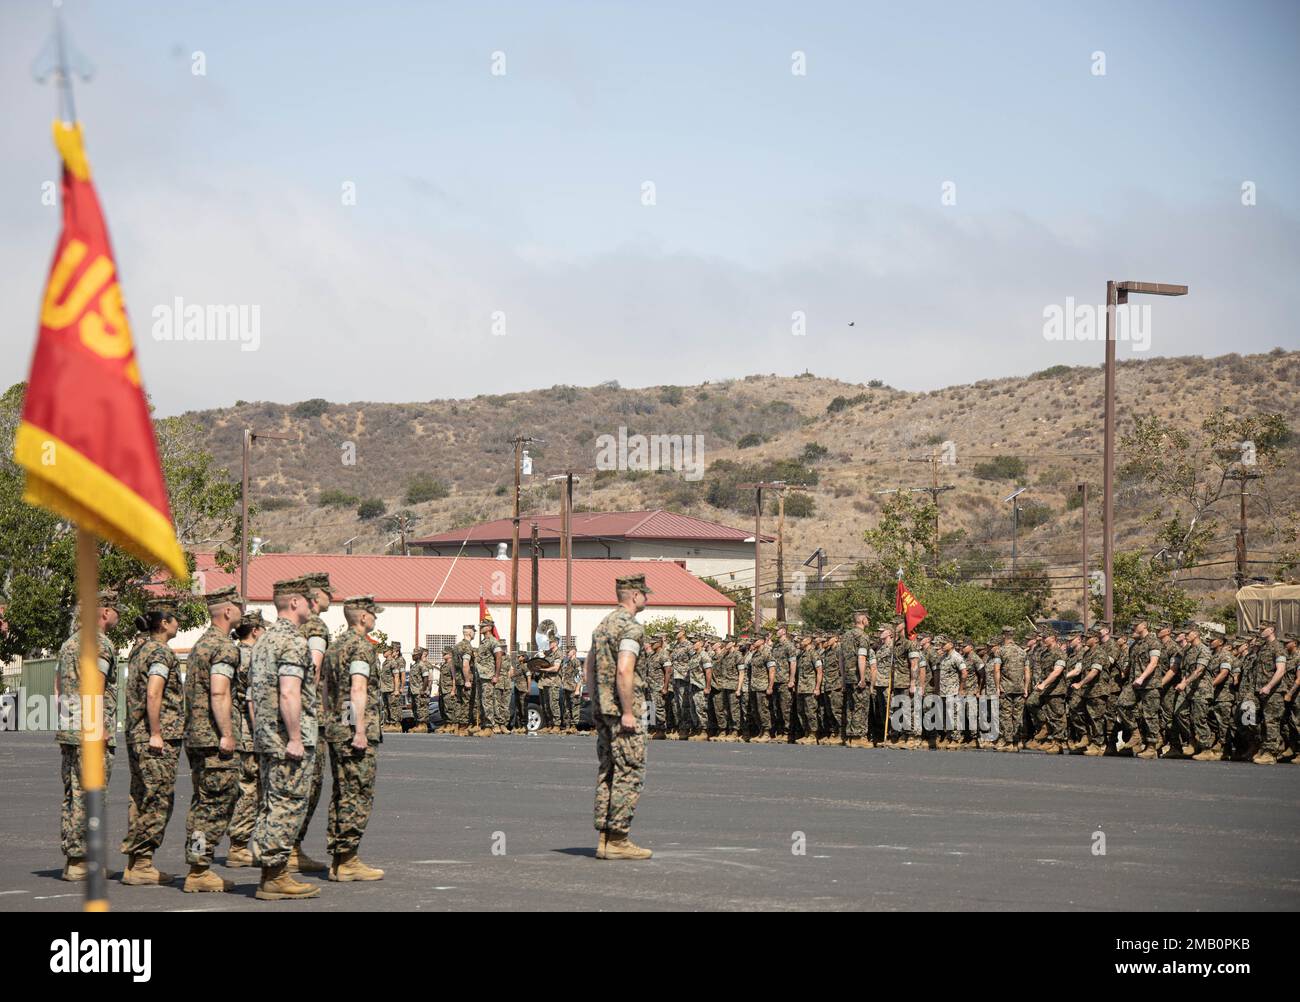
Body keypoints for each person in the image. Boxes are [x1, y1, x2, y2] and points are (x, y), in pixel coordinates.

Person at [250, 576, 320, 900]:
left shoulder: (264, 640)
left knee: (271, 802)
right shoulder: (292, 641)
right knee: (287, 805)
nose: (312, 605)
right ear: (294, 603)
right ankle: (276, 875)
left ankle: (271, 872)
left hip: (266, 736)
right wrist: (295, 737)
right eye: (308, 600)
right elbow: (290, 693)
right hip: (287, 739)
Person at [181, 586, 245, 893]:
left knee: (202, 803)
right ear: (228, 611)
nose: (242, 613)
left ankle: (197, 864)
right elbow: (219, 692)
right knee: (217, 805)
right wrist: (228, 734)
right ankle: (200, 869)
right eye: (239, 607)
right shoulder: (224, 647)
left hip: (196, 736)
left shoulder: (200, 645)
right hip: (214, 739)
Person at [55, 590, 121, 882]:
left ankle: (74, 858)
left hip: (71, 730)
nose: (118, 615)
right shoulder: (101, 644)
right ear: (104, 612)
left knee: (73, 793)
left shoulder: (69, 644)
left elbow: (58, 689)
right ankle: (84, 860)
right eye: (116, 610)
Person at [120, 595, 184, 886]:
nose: (178, 623)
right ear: (164, 623)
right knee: (158, 799)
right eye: (175, 618)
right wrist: (157, 732)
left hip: (137, 735)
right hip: (156, 738)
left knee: (140, 797)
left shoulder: (139, 650)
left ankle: (135, 863)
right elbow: (154, 693)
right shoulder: (160, 653)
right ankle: (143, 862)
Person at [323, 596, 386, 880]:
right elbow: (357, 690)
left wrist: (333, 721)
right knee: (357, 793)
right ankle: (348, 859)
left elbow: (326, 690)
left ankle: (339, 859)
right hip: (353, 732)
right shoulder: (360, 647)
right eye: (373, 614)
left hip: (336, 729)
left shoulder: (335, 647)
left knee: (341, 792)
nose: (376, 619)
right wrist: (358, 730)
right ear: (362, 617)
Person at [590, 574, 652, 860]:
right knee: (630, 771)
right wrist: (628, 711)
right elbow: (625, 670)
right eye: (644, 595)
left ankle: (605, 837)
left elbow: (590, 664)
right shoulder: (631, 628)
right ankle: (618, 838)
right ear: (635, 596)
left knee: (609, 770)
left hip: (603, 710)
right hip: (623, 712)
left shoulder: (603, 625)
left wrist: (595, 702)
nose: (647, 599)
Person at [291, 572, 333, 875]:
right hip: (310, 718)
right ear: (316, 597)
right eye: (328, 593)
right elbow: (314, 671)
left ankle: (286, 847)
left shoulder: (293, 627)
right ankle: (292, 849)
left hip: (290, 715)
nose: (333, 597)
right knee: (311, 783)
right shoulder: (316, 627)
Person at [225, 608, 265, 866]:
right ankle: (239, 845)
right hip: (249, 731)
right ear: (255, 630)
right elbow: (254, 699)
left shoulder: (231, 653)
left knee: (242, 787)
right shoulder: (251, 657)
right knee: (251, 789)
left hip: (234, 727)